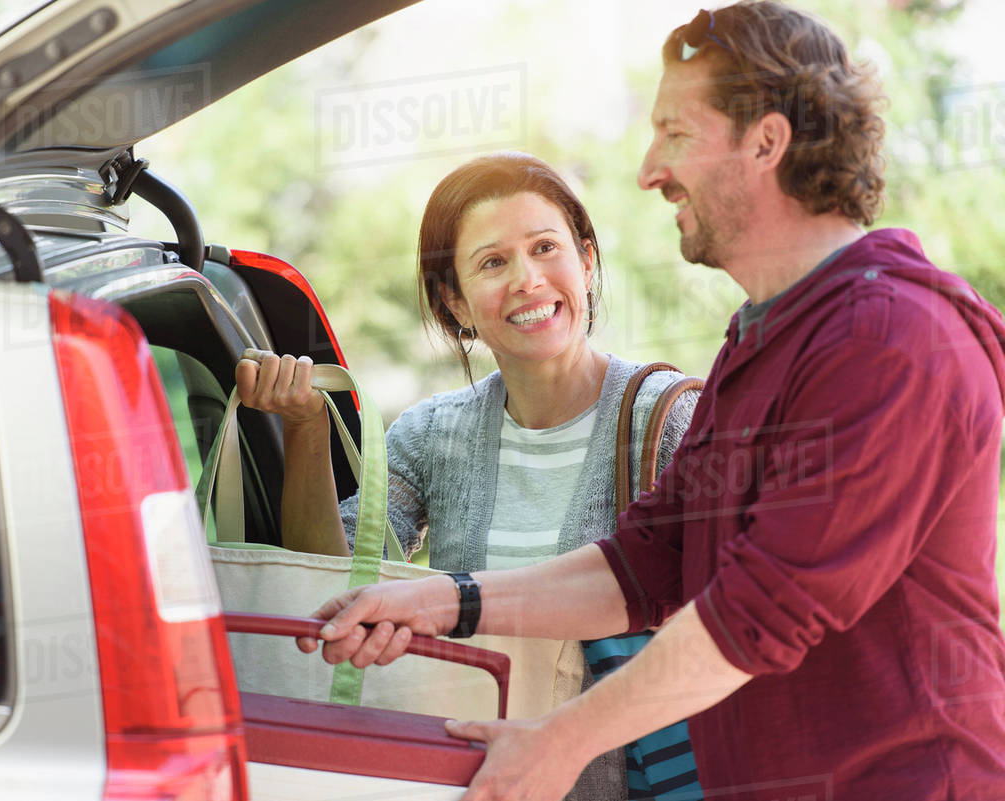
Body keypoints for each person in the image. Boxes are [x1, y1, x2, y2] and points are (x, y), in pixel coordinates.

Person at [295, 3, 1005, 801]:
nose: (648, 169)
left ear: (765, 142)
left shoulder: (889, 338)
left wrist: (558, 741)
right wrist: (444, 598)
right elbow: (649, 561)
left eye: (675, 132)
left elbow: (756, 612)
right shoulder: (762, 338)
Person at [236, 151, 702, 800]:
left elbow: (739, 623)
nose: (528, 279)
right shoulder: (432, 434)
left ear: (587, 261)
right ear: (455, 301)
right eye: (492, 262)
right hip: (473, 783)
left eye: (546, 247)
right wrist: (309, 429)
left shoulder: (674, 418)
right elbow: (341, 580)